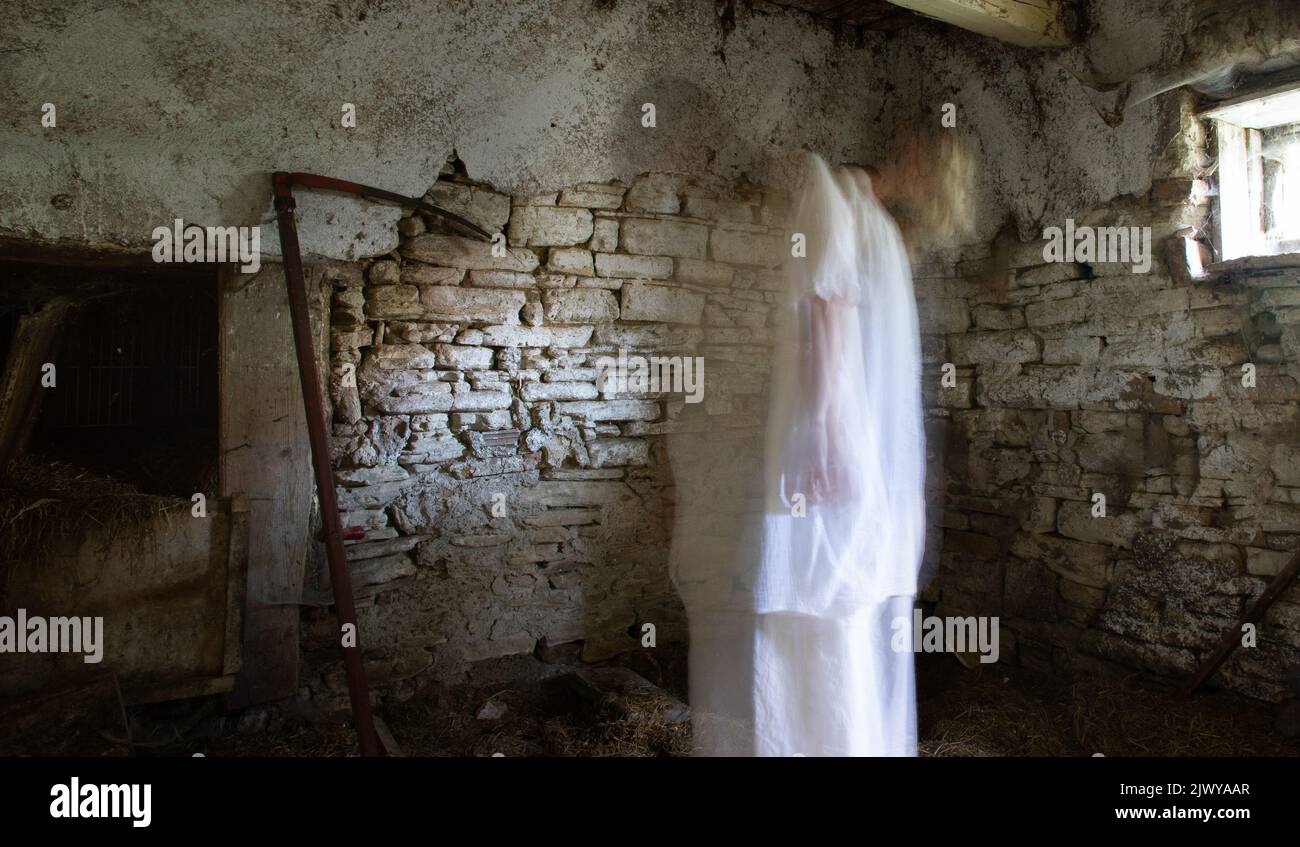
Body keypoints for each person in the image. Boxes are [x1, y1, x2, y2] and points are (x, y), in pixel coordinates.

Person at [670, 129, 972, 756]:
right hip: (865, 452)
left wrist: (825, 431)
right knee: (841, 610)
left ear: (918, 160)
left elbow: (827, 313)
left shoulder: (832, 196)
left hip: (833, 438)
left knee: (813, 603)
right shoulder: (879, 229)